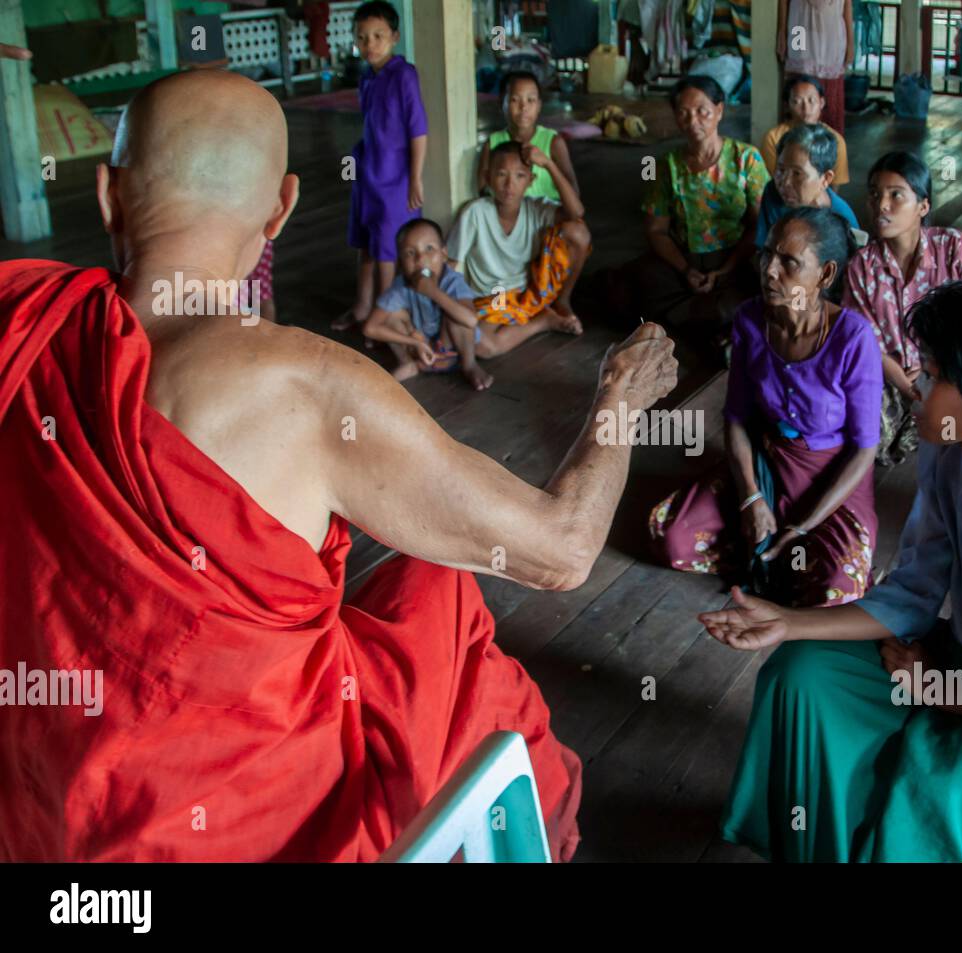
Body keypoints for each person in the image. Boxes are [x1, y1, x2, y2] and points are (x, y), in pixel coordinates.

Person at [0, 69, 679, 862]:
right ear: (283, 208)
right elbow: (561, 547)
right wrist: (620, 399)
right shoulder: (307, 386)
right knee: (441, 596)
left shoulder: (29, 326)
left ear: (109, 193)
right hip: (249, 830)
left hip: (40, 801)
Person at [699, 273, 962, 862]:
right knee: (796, 676)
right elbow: (914, 591)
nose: (916, 386)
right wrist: (787, 621)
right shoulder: (950, 452)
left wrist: (938, 687)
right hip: (951, 657)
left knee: (913, 815)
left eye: (931, 375)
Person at [650, 208, 881, 607]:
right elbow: (736, 418)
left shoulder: (853, 338)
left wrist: (806, 524)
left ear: (825, 275)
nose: (770, 270)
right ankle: (769, 548)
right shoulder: (750, 320)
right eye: (767, 254)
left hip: (829, 478)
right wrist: (752, 499)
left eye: (789, 262)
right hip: (767, 462)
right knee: (672, 538)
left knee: (835, 587)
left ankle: (780, 553)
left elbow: (864, 449)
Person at [844, 151, 962, 467]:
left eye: (896, 195)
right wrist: (904, 381)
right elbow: (864, 338)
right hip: (891, 376)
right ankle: (915, 427)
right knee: (865, 436)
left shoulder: (953, 248)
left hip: (950, 369)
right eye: (875, 194)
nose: (882, 205)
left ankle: (929, 427)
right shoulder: (862, 266)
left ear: (923, 206)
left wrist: (930, 369)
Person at [620, 76, 768, 332]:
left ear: (719, 111)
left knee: (751, 293)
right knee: (639, 283)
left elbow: (760, 226)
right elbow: (656, 230)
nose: (693, 122)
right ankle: (705, 324)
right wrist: (686, 269)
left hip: (733, 258)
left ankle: (690, 319)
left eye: (703, 112)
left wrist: (723, 270)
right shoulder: (665, 164)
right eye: (684, 113)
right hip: (682, 260)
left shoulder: (746, 158)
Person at [335, 1, 428, 331]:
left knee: (388, 250)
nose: (369, 44)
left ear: (395, 37)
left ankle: (384, 317)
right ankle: (362, 307)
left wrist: (415, 178)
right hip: (369, 173)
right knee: (366, 244)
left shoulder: (404, 75)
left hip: (396, 178)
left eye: (378, 36)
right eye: (362, 37)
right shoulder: (367, 78)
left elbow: (418, 130)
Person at [445, 140, 591, 348]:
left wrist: (549, 164)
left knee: (578, 231)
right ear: (488, 178)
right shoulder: (475, 213)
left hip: (530, 291)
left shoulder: (536, 209)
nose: (509, 185)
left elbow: (577, 213)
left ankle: (561, 302)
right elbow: (450, 265)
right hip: (494, 296)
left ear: (530, 180)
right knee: (481, 345)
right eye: (501, 174)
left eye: (520, 176)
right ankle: (543, 321)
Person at [362, 218, 494, 390]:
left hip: (452, 351)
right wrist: (414, 342)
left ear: (444, 254)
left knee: (457, 313)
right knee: (392, 315)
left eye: (429, 249)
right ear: (401, 262)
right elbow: (370, 328)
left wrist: (432, 291)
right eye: (410, 253)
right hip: (421, 351)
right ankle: (407, 363)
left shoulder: (452, 281)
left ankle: (470, 366)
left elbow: (470, 321)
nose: (420, 258)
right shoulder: (401, 286)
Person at [475, 70, 579, 204]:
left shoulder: (553, 143)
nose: (523, 107)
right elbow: (482, 191)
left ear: (539, 106)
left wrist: (548, 164)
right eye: (514, 100)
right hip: (507, 217)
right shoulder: (493, 144)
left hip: (548, 216)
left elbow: (574, 193)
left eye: (531, 100)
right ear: (502, 103)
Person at [756, 123, 859, 247]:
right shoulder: (772, 192)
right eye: (781, 170)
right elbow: (762, 248)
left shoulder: (843, 221)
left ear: (825, 179)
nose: (785, 182)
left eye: (797, 174)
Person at [777, 0, 854, 135]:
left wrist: (851, 44)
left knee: (829, 105)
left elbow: (847, 5)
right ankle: (794, 150)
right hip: (799, 28)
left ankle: (830, 149)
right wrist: (782, 32)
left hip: (831, 34)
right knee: (798, 82)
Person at [758, 75, 850, 186]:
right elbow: (773, 181)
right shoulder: (773, 138)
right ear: (787, 105)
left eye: (811, 101)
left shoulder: (836, 140)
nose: (806, 109)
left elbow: (834, 186)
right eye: (797, 102)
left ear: (821, 103)